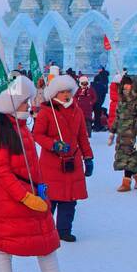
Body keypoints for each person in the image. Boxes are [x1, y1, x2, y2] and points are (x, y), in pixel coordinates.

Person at [0, 75, 78, 272]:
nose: (30, 105)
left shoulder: (21, 126)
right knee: (4, 246)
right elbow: (1, 171)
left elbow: (33, 163)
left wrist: (42, 189)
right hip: (9, 198)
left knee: (46, 242)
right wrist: (24, 196)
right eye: (26, 101)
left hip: (33, 191)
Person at [31, 74, 93, 242]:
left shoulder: (77, 111)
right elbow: (37, 134)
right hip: (52, 162)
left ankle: (64, 230)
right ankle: (46, 229)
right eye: (62, 92)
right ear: (54, 94)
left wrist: (88, 157)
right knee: (50, 199)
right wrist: (53, 144)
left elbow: (82, 137)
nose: (66, 95)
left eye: (68, 91)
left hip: (72, 161)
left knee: (69, 199)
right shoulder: (46, 111)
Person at [109, 73, 137, 191]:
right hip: (122, 135)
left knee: (131, 158)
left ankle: (126, 182)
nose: (126, 86)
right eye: (124, 84)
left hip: (133, 135)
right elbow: (117, 117)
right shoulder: (122, 101)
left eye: (128, 84)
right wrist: (112, 132)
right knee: (123, 158)